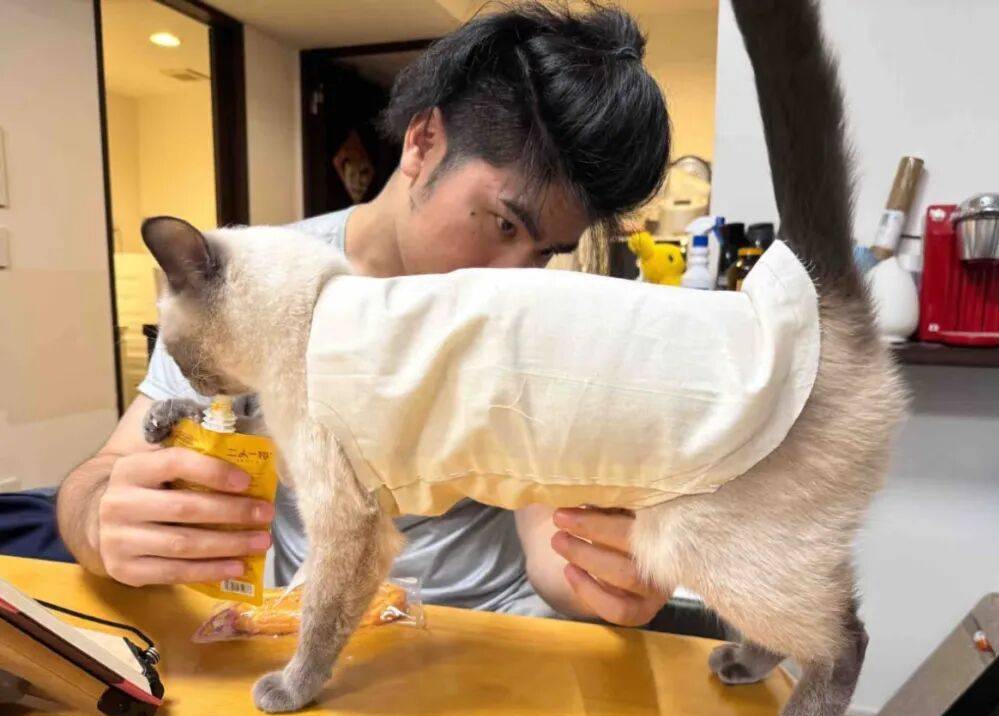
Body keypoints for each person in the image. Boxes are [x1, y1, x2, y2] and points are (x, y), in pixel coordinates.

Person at [57, 2, 673, 626]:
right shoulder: (247, 287)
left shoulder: (531, 317)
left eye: (544, 251)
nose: (512, 278)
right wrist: (104, 520)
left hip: (492, 632)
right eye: (504, 224)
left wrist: (609, 574)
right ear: (423, 142)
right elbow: (97, 481)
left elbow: (548, 538)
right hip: (307, 630)